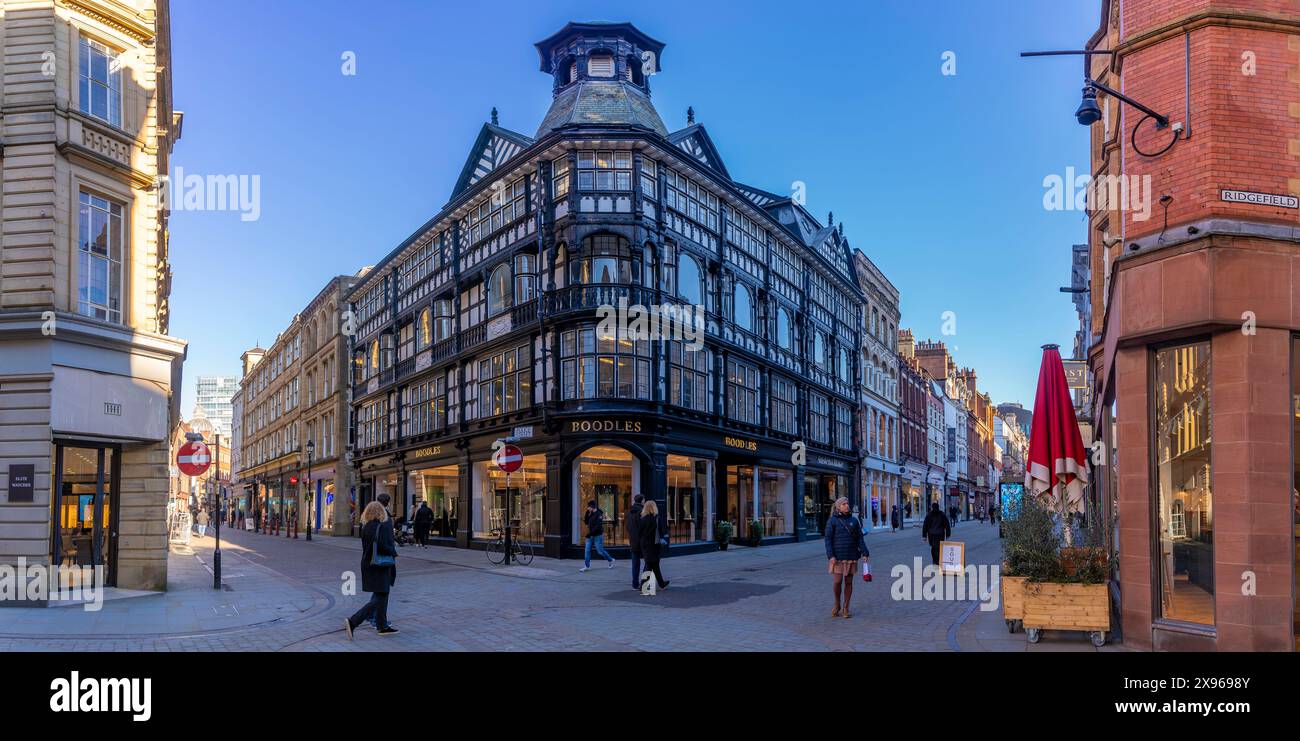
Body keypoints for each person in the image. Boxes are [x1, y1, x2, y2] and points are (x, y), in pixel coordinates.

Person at [344, 500, 399, 638]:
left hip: (369, 564)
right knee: (381, 596)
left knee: (380, 594)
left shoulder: (367, 526)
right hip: (379, 565)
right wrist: (393, 552)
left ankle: (382, 626)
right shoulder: (380, 526)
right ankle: (353, 621)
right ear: (380, 512)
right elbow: (383, 545)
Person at [824, 497, 868, 618]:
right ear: (838, 507)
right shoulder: (832, 521)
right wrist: (830, 555)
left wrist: (865, 552)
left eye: (847, 503)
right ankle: (837, 603)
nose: (847, 505)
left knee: (849, 582)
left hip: (851, 555)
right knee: (837, 581)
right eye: (844, 504)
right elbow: (828, 539)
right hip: (837, 557)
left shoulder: (854, 520)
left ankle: (846, 607)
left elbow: (860, 538)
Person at [637, 499, 668, 592]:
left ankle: (661, 583)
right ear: (654, 508)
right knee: (650, 564)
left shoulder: (642, 518)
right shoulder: (656, 518)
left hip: (645, 545)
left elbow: (639, 532)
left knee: (654, 564)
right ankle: (642, 585)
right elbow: (661, 532)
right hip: (654, 545)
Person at [580, 500, 615, 572]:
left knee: (600, 551)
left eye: (589, 507)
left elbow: (598, 526)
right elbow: (586, 522)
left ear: (592, 507)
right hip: (590, 535)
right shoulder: (591, 513)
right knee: (587, 550)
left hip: (597, 536)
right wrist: (587, 513)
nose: (588, 508)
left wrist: (590, 534)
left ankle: (610, 559)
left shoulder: (599, 514)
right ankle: (587, 566)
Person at [627, 494, 645, 590]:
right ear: (642, 501)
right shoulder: (642, 511)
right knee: (649, 562)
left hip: (633, 541)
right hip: (642, 540)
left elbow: (628, 527)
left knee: (635, 563)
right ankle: (645, 583)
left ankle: (635, 584)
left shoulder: (630, 512)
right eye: (644, 499)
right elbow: (643, 526)